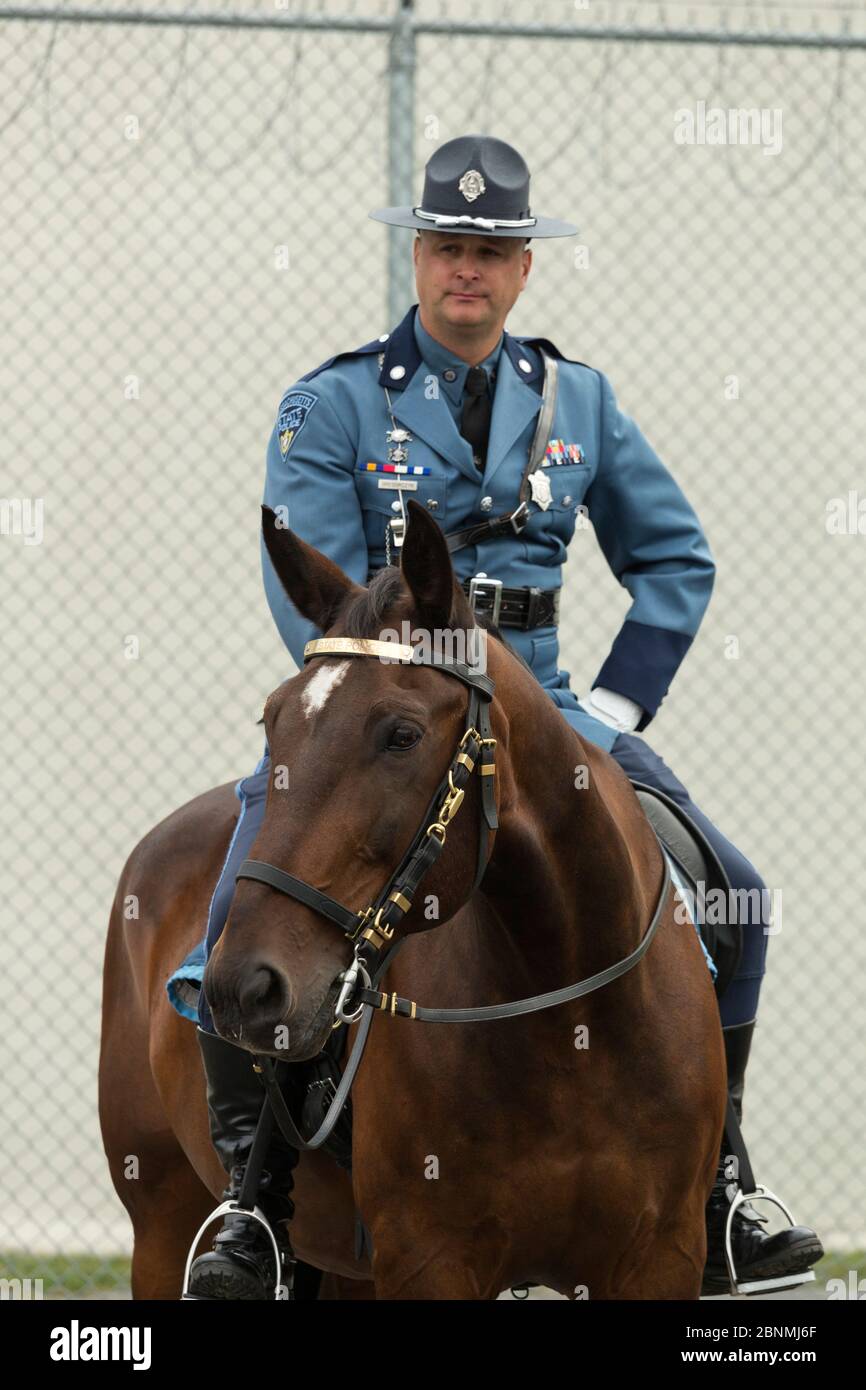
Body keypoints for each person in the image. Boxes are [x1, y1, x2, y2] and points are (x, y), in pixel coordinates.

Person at [177, 134, 823, 1299]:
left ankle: (719, 1184)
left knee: (736, 894)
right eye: (445, 247)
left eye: (490, 251)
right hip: (381, 719)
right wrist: (367, 710)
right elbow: (312, 590)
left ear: (522, 270)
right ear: (415, 258)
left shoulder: (577, 400)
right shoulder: (330, 404)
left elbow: (673, 558)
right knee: (233, 917)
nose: (464, 269)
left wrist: (612, 711)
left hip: (554, 713)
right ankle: (256, 1200)